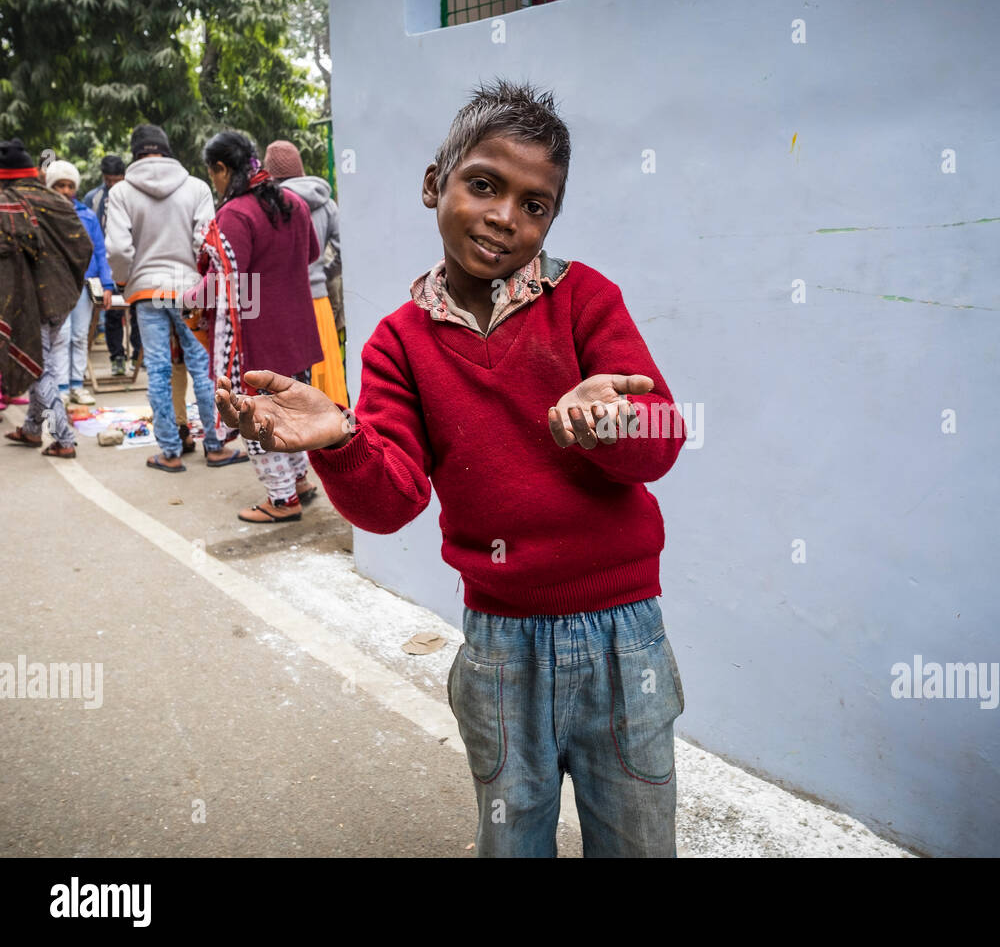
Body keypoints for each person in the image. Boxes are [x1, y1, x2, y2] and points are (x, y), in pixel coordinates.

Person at [215, 81, 689, 857]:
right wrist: (341, 440)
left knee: (639, 842)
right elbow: (393, 499)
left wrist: (615, 423)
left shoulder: (586, 301)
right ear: (435, 183)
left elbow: (661, 439)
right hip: (500, 646)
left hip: (624, 638)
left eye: (536, 205)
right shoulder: (399, 343)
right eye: (484, 185)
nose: (507, 216)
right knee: (513, 837)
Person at [183, 131, 323, 521]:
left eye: (213, 174)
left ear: (223, 169)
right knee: (290, 412)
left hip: (258, 340)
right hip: (297, 330)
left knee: (254, 414)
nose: (214, 181)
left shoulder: (235, 214)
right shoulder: (293, 202)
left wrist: (187, 298)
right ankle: (299, 481)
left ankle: (282, 500)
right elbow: (311, 253)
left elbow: (226, 280)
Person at [104, 123, 242, 472]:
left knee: (160, 371)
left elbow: (119, 248)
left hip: (147, 293)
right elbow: (206, 243)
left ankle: (169, 451)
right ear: (166, 150)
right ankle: (215, 445)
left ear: (135, 154)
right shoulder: (196, 187)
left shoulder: (120, 193)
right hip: (189, 293)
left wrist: (124, 280)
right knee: (202, 368)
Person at [0, 139, 93, 457]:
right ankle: (31, 429)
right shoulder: (53, 200)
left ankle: (65, 439)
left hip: (30, 304)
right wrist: (66, 283)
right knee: (44, 362)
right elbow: (83, 246)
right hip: (60, 298)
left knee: (40, 369)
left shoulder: (7, 203)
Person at [263, 139, 348, 408]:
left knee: (289, 382)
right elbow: (344, 249)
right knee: (326, 380)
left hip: (284, 306)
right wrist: (322, 271)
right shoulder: (326, 202)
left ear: (271, 174)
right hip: (318, 301)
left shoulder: (269, 205)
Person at [45, 160, 114, 405]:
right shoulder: (43, 215)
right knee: (60, 336)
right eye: (59, 185)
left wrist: (107, 285)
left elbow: (100, 253)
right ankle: (61, 387)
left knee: (80, 336)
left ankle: (77, 385)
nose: (65, 190)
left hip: (85, 285)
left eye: (69, 185)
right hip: (56, 286)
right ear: (50, 187)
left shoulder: (87, 215)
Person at [85, 155, 139, 375]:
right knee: (111, 313)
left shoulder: (135, 196)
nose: (112, 185)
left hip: (133, 264)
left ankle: (137, 356)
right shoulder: (94, 198)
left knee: (138, 311)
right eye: (108, 181)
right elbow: (91, 233)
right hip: (105, 265)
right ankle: (117, 357)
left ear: (124, 177)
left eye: (116, 181)